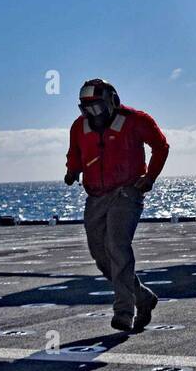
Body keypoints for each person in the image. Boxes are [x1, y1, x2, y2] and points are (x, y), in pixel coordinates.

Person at [65, 78, 169, 333]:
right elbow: (75, 154)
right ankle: (143, 297)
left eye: (96, 108)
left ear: (112, 103)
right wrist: (72, 171)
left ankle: (124, 311)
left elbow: (161, 146)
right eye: (86, 109)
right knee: (101, 255)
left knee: (117, 247)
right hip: (96, 197)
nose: (92, 114)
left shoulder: (136, 120)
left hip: (127, 193)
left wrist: (150, 177)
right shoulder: (79, 127)